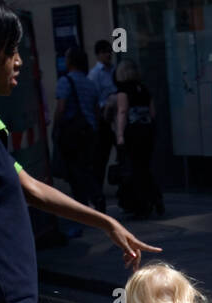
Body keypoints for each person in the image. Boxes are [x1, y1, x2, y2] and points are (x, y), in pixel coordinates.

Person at [0, 0, 158, 303]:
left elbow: (31, 188)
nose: (18, 61)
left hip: (3, 302)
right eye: (11, 50)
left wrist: (106, 223)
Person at [53, 46, 105, 212]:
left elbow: (61, 108)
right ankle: (95, 196)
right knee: (85, 168)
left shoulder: (65, 81)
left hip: (72, 133)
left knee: (74, 171)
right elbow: (96, 110)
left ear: (70, 61)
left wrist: (56, 128)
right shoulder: (90, 83)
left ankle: (83, 204)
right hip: (89, 132)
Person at [114, 58, 164, 218]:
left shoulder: (123, 90)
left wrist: (120, 135)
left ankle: (143, 204)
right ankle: (155, 198)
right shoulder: (144, 88)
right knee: (145, 167)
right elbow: (153, 113)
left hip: (133, 132)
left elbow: (122, 111)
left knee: (135, 169)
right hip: (147, 131)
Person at [88, 39, 118, 193]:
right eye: (106, 51)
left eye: (110, 51)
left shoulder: (114, 70)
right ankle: (97, 192)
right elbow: (94, 98)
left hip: (117, 117)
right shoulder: (94, 74)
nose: (109, 54)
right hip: (104, 119)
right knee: (101, 158)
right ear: (99, 54)